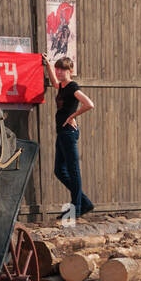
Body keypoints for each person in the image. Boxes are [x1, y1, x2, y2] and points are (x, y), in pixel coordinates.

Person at [43, 54, 95, 219]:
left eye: (62, 70)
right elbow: (53, 82)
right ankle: (84, 202)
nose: (59, 72)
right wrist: (49, 65)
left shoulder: (73, 87)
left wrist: (72, 116)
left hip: (68, 133)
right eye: (58, 69)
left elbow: (89, 104)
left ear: (70, 71)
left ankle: (76, 208)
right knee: (59, 170)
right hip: (62, 133)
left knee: (73, 171)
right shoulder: (62, 87)